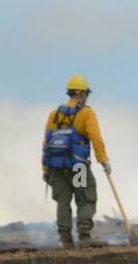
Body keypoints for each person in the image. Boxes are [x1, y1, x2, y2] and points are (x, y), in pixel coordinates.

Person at [42, 75, 111, 248]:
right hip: (78, 167)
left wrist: (45, 169)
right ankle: (84, 237)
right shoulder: (87, 112)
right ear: (80, 93)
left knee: (63, 202)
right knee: (85, 199)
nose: (87, 96)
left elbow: (46, 142)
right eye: (86, 93)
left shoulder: (54, 114)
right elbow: (95, 137)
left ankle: (65, 240)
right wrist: (103, 160)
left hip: (56, 167)